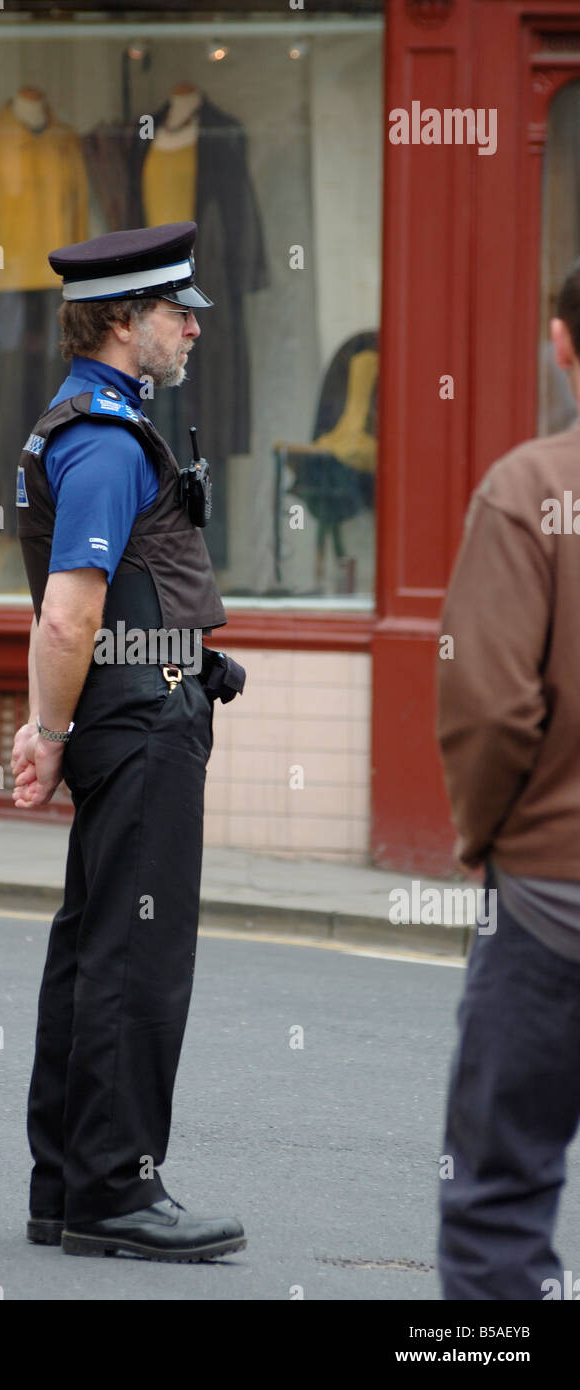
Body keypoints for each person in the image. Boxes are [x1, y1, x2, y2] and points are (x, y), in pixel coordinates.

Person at [9, 221, 247, 1262]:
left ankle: (65, 1184)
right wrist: (47, 733)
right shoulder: (104, 441)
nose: (193, 327)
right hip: (138, 727)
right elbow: (68, 614)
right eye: (174, 311)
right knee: (137, 958)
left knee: (94, 945)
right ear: (120, 321)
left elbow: (118, 602)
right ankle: (118, 1189)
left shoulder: (97, 426)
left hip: (136, 710)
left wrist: (194, 658)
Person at [436, 256, 580, 1299]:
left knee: (500, 1204)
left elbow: (491, 707)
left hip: (550, 899)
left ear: (562, 343)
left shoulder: (531, 490)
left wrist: (484, 839)